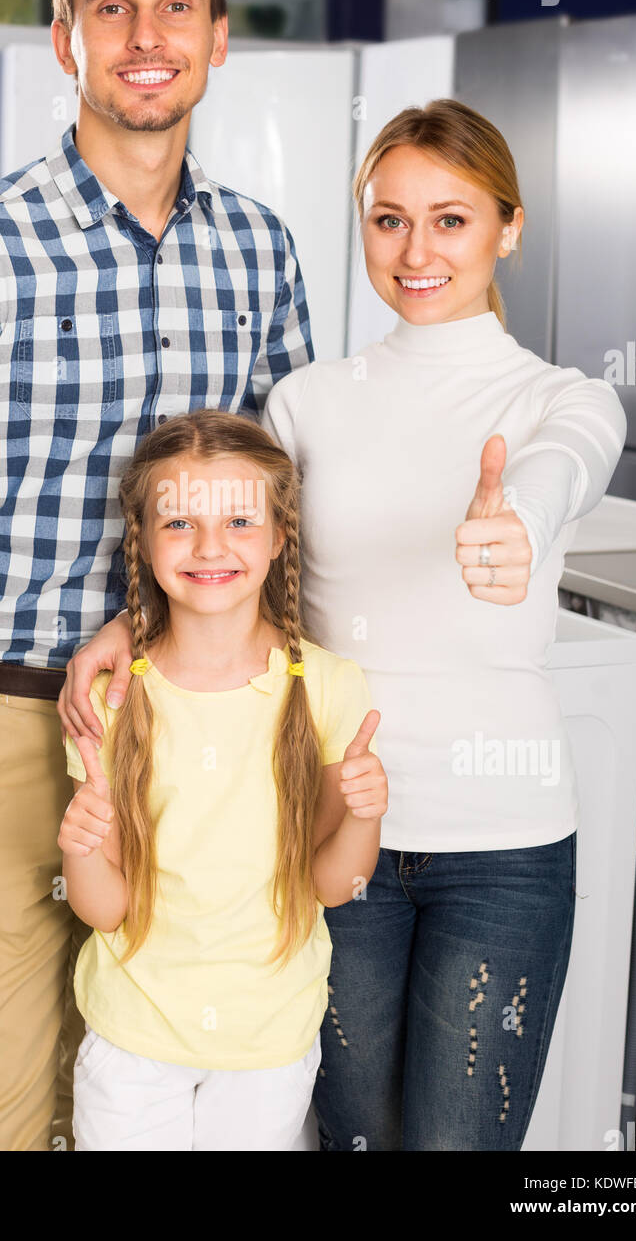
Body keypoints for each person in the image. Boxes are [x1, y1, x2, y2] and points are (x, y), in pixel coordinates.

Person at [56, 98, 628, 1150]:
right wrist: (122, 622)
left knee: (458, 1142)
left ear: (509, 225)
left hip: (500, 843)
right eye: (387, 218)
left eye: (450, 219)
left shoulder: (563, 400)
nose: (416, 250)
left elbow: (564, 468)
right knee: (348, 1131)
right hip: (320, 823)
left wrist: (520, 520)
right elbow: (221, 542)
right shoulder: (307, 401)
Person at [0, 0, 314, 1150]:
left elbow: (281, 497)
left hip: (194, 730)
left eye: (176, 5)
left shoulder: (262, 253)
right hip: (1, 730)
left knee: (145, 1107)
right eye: (109, 7)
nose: (144, 34)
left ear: (218, 40)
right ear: (66, 40)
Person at [57, 408, 387, 1150]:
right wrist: (78, 846)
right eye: (178, 524)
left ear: (278, 537)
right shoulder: (109, 696)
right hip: (133, 1036)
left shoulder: (329, 686)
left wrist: (365, 813)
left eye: (240, 520)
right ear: (141, 539)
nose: (210, 546)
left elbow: (333, 884)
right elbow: (103, 908)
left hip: (267, 1041)